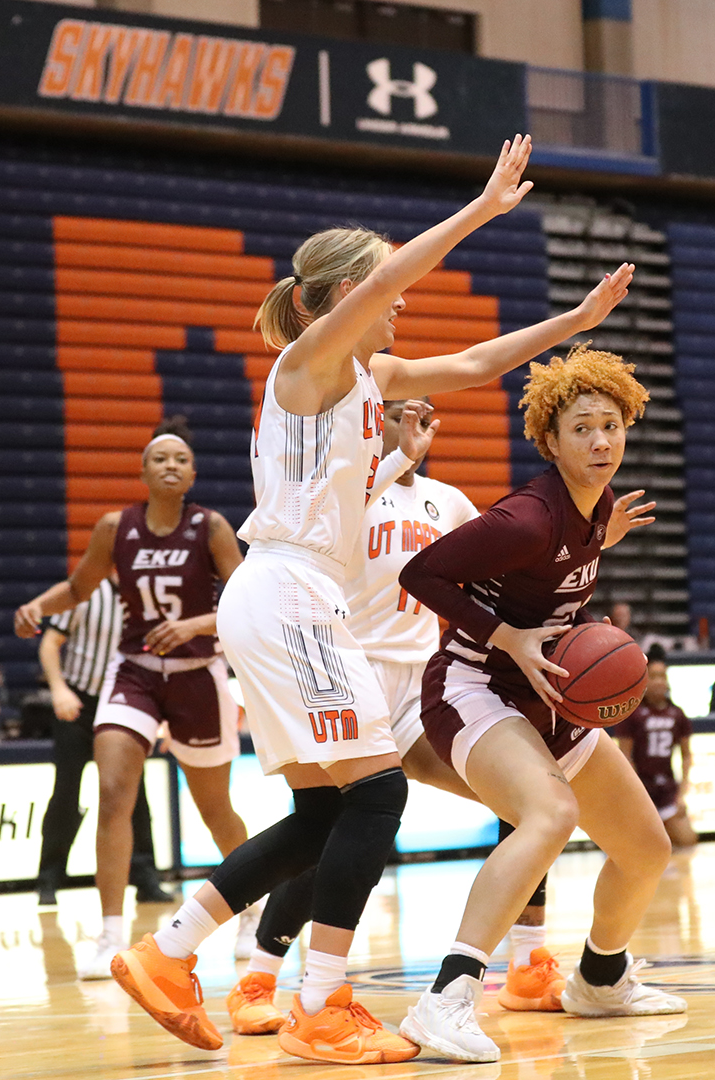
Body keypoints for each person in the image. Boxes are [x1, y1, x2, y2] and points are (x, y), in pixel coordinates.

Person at [107, 134, 639, 1064]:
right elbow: (388, 278)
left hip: (296, 599)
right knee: (378, 793)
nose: (402, 306)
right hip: (288, 593)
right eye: (388, 293)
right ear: (345, 299)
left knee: (329, 812)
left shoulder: (369, 379)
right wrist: (479, 210)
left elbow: (477, 366)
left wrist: (575, 322)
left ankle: (169, 952)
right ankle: (321, 1005)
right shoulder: (307, 367)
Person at [228, 400, 562, 1034]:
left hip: (420, 685)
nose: (412, 421)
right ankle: (259, 975)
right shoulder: (347, 495)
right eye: (393, 412)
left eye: (421, 412)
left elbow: (504, 572)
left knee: (526, 804)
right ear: (366, 424)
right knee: (328, 828)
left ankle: (528, 961)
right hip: (347, 670)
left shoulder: (451, 502)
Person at [396, 344, 682, 1064]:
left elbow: (558, 571)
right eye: (582, 427)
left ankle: (600, 977)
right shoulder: (526, 517)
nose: (601, 440)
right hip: (474, 686)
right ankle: (446, 1000)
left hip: (549, 698)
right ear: (550, 441)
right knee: (549, 816)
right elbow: (422, 571)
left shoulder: (599, 506)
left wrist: (599, 539)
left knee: (647, 848)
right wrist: (505, 635)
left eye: (612, 425)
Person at [14, 416, 252, 979]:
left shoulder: (211, 527)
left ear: (192, 473)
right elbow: (77, 589)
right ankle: (110, 934)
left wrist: (196, 624)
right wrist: (38, 608)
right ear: (143, 472)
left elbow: (247, 602)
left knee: (214, 809)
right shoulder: (114, 527)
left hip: (198, 674)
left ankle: (252, 910)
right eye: (159, 459)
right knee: (115, 789)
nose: (170, 465)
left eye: (180, 459)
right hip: (135, 673)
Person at [34, 576, 171, 909]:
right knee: (66, 791)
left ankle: (145, 878)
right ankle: (49, 878)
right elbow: (49, 644)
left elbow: (160, 657)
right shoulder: (85, 591)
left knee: (134, 794)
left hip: (125, 703)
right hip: (78, 704)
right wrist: (59, 690)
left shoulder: (149, 597)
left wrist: (164, 715)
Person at [614, 656, 697, 848]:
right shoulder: (632, 713)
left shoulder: (678, 713)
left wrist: (681, 795)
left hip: (667, 788)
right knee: (636, 847)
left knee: (688, 841)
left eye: (663, 676)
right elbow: (625, 757)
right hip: (641, 788)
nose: (659, 681)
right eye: (653, 676)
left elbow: (686, 755)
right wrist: (634, 793)